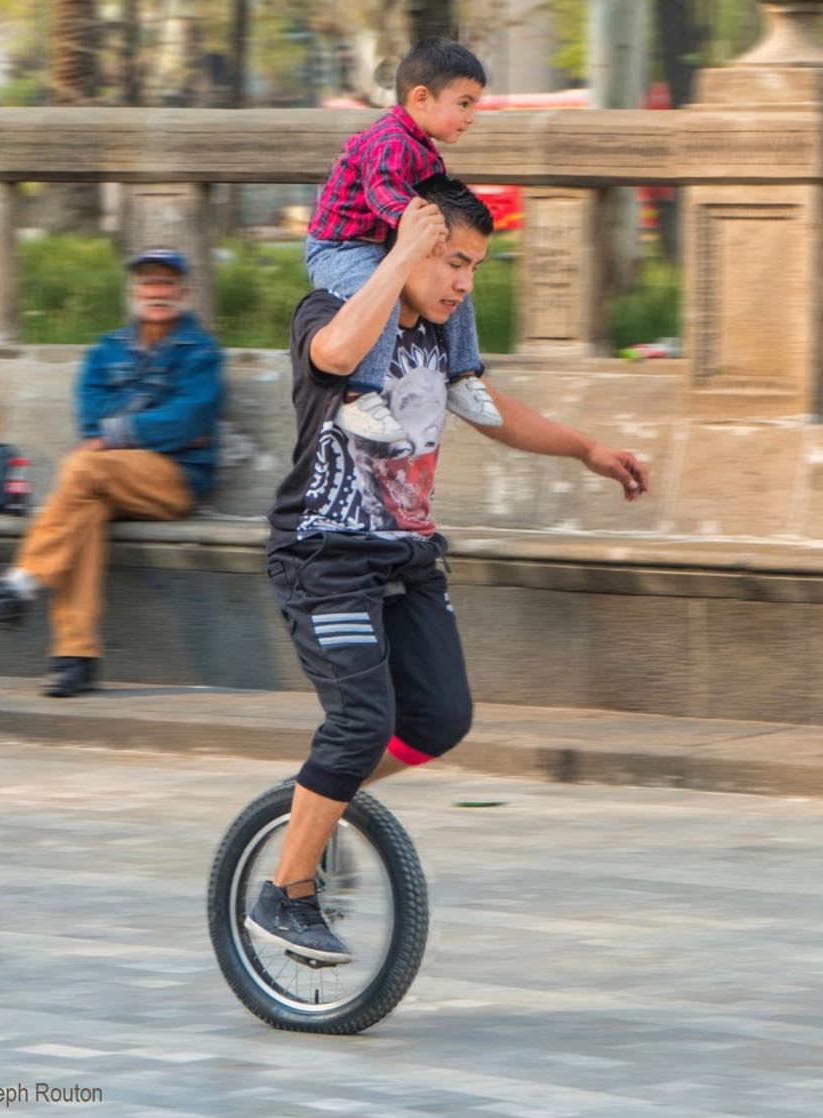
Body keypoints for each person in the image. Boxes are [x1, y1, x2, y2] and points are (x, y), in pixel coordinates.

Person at [247, 176, 649, 964]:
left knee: (438, 719)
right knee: (360, 720)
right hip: (324, 553)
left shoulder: (438, 334)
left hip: (405, 554)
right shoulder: (332, 311)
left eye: (474, 267)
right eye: (452, 263)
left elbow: (488, 406)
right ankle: (283, 893)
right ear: (407, 246)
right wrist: (398, 259)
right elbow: (332, 356)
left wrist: (587, 450)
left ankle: (317, 807)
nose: (463, 283)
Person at [0, 248, 225, 698]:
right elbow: (91, 419)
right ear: (133, 292)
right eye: (148, 283)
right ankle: (74, 659)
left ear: (183, 292)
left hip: (172, 482)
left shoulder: (201, 352)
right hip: (107, 477)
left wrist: (123, 429)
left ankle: (19, 585)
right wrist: (153, 426)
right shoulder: (106, 351)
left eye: (166, 283)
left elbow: (190, 420)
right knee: (86, 508)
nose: (157, 292)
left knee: (82, 467)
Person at [306, 36, 502, 445]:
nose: (471, 116)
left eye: (475, 106)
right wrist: (418, 235)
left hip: (382, 244)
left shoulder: (426, 151)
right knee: (386, 295)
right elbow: (384, 193)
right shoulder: (389, 140)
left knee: (458, 285)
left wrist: (440, 243)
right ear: (421, 97)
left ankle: (463, 375)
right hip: (341, 247)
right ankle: (359, 393)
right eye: (464, 103)